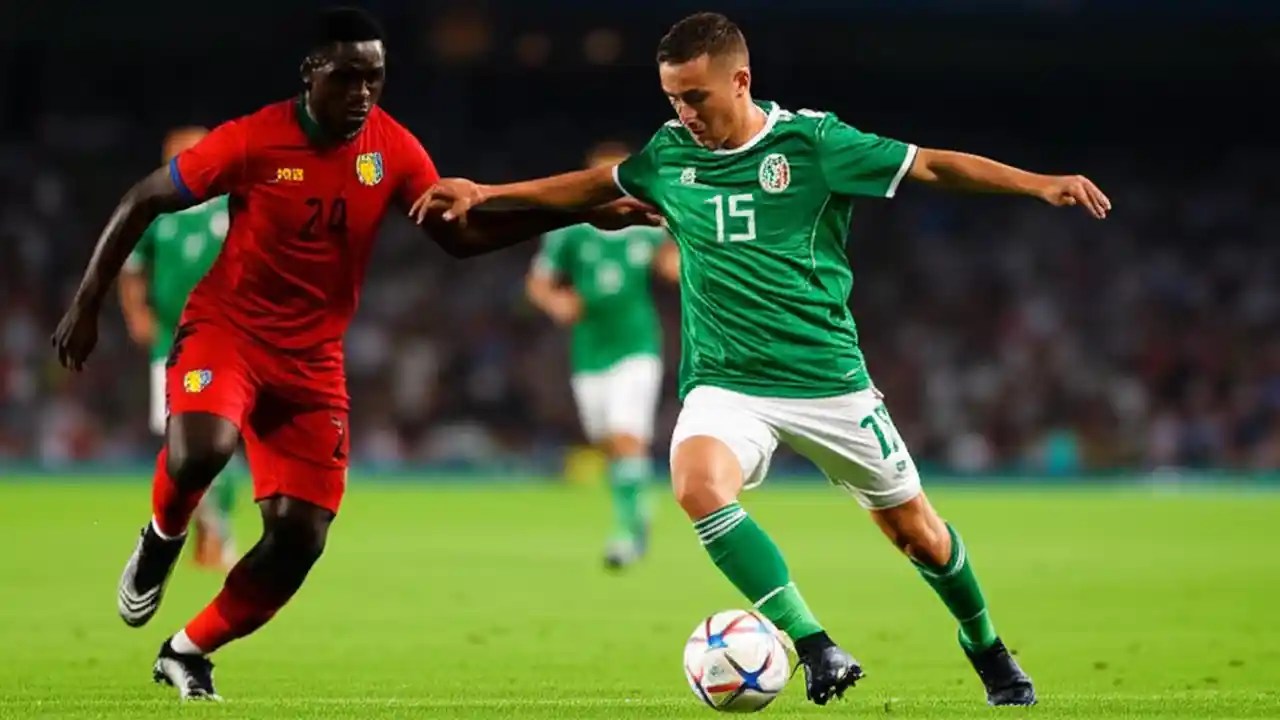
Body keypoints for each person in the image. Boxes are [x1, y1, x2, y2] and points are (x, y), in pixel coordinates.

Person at [412, 11, 1111, 709]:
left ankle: (984, 644)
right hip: (727, 385)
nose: (683, 113)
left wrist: (1037, 182)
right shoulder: (668, 154)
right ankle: (814, 644)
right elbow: (595, 185)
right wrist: (486, 194)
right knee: (695, 485)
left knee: (919, 536)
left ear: (740, 81)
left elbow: (928, 163)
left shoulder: (813, 143)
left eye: (695, 97)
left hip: (829, 382)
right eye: (672, 99)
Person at [51, 7, 657, 701]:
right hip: (229, 329)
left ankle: (188, 650)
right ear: (312, 75)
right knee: (201, 450)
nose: (363, 93)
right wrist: (86, 303)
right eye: (347, 77)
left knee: (299, 537)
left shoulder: (392, 150)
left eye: (375, 77)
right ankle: (161, 540)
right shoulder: (250, 140)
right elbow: (143, 198)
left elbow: (458, 237)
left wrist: (577, 208)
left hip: (312, 361)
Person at [526, 141, 680, 570]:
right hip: (590, 351)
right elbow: (539, 283)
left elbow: (672, 263)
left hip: (637, 345)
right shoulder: (570, 229)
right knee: (608, 441)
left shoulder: (647, 225)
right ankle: (639, 503)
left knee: (628, 435)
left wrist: (688, 267)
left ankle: (628, 534)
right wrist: (557, 303)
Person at [119, 126, 238, 571]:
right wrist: (136, 314)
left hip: (222, 342)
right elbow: (130, 268)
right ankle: (208, 531)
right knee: (180, 441)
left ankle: (218, 536)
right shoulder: (157, 211)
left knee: (204, 439)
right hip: (168, 344)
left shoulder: (231, 205)